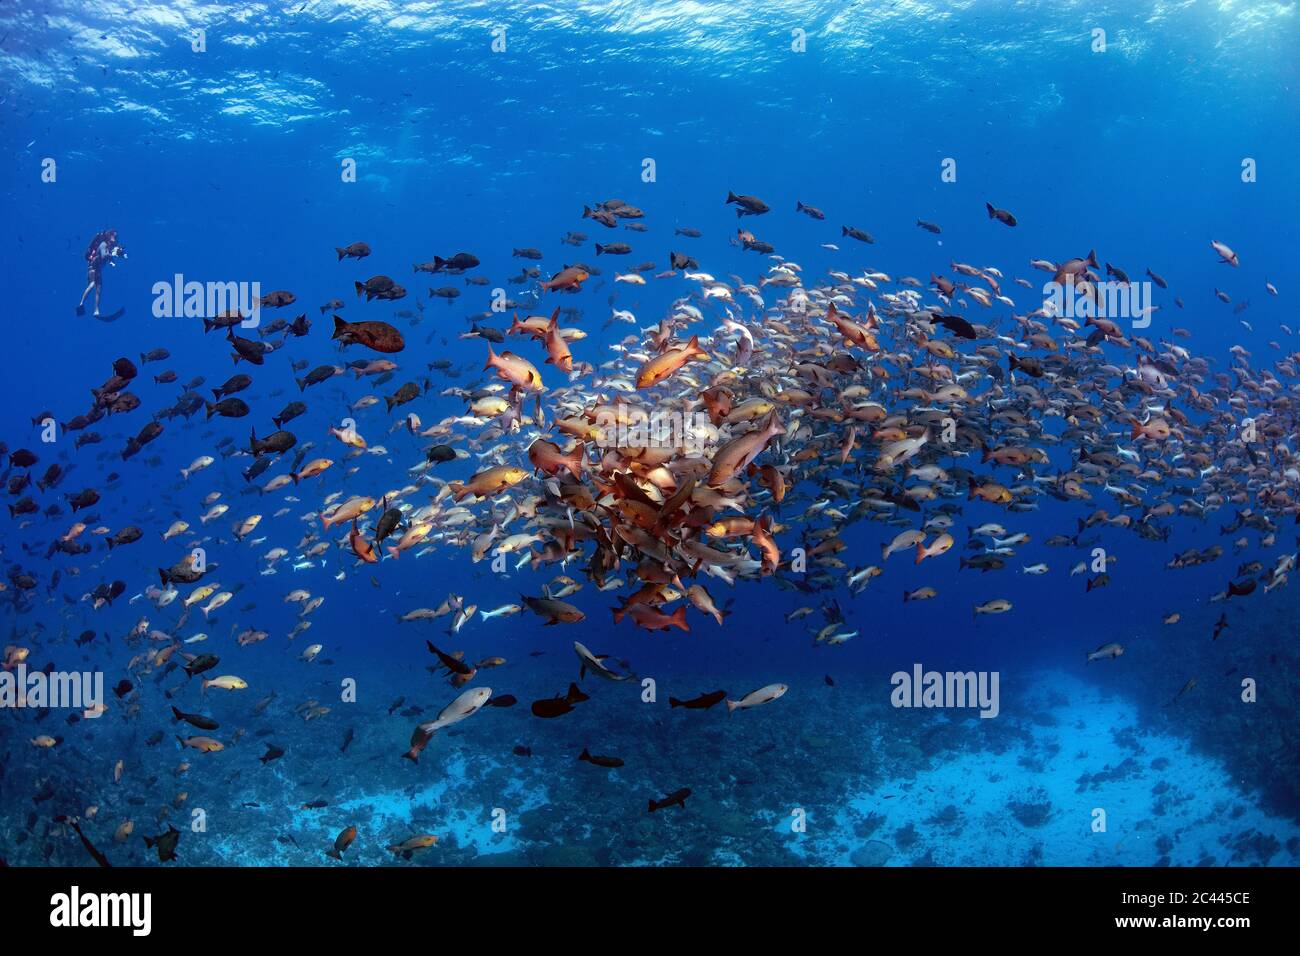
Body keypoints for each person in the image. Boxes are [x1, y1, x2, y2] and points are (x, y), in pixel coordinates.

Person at [76, 229, 127, 317]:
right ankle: (81, 303)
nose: (116, 238)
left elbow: (108, 256)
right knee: (92, 284)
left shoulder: (109, 248)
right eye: (114, 236)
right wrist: (110, 256)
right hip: (93, 268)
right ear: (109, 236)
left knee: (98, 290)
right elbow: (103, 255)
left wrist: (116, 255)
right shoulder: (103, 245)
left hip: (98, 270)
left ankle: (96, 310)